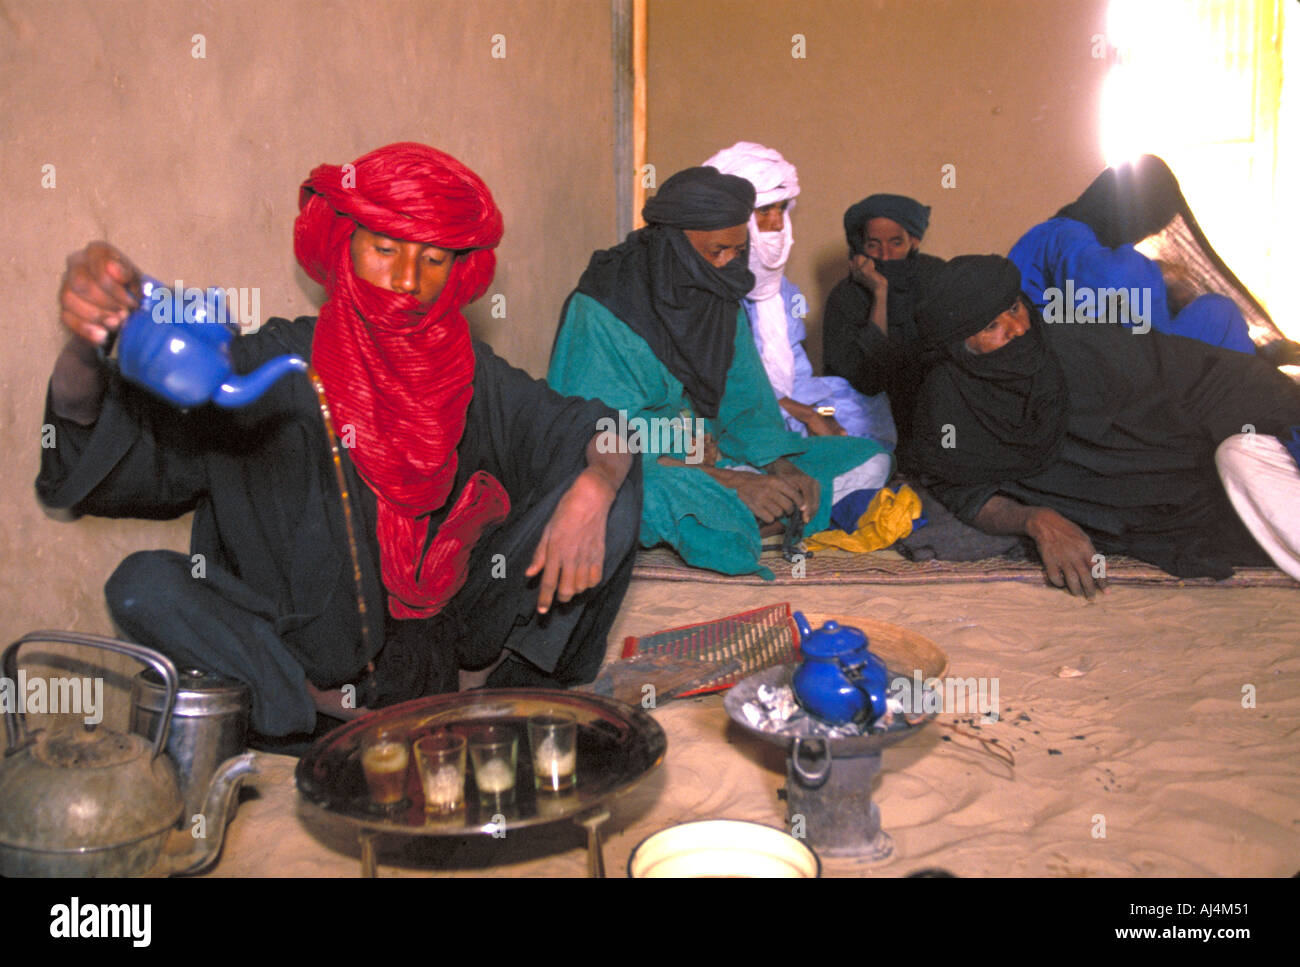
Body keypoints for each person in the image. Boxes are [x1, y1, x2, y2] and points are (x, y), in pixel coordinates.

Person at [37, 142, 641, 739]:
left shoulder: (473, 374)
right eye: (386, 248)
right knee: (145, 585)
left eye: (434, 259)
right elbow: (111, 435)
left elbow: (602, 428)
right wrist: (90, 345)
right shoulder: (273, 362)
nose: (408, 279)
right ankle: (312, 714)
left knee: (615, 471)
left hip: (450, 641)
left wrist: (596, 483)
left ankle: (507, 693)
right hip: (310, 655)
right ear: (344, 244)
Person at [548, 166, 890, 577]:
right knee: (634, 496)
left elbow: (746, 404)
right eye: (716, 252)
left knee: (868, 458)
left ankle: (745, 515)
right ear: (672, 243)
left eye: (737, 250)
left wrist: (782, 468)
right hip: (641, 462)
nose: (728, 264)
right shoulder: (602, 309)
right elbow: (598, 434)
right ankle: (744, 515)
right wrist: (727, 480)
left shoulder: (720, 296)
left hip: (717, 453)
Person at [907, 254, 1300, 597]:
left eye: (1014, 307)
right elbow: (964, 493)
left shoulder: (1081, 343)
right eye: (991, 326)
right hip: (1122, 523)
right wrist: (1035, 519)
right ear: (959, 345)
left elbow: (1199, 374)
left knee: (1248, 460)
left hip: (1188, 482)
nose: (1018, 328)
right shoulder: (947, 403)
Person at [701, 142, 895, 445]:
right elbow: (727, 387)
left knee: (863, 416)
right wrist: (806, 415)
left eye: (781, 209)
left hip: (789, 401)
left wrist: (824, 412)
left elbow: (797, 374)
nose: (777, 223)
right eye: (764, 210)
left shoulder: (784, 293)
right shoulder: (706, 293)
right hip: (735, 410)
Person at [1009, 154, 1258, 353]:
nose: (1138, 237)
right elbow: (1119, 294)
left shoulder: (1047, 232)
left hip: (1064, 354)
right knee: (1218, 314)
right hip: (1083, 368)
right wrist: (1160, 279)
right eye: (1146, 225)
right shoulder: (1074, 242)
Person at [821, 193, 947, 461]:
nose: (886, 256)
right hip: (867, 420)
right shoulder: (846, 296)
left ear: (914, 241)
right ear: (860, 248)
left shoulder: (936, 278)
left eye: (896, 243)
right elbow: (865, 379)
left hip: (933, 415)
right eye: (873, 245)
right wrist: (880, 292)